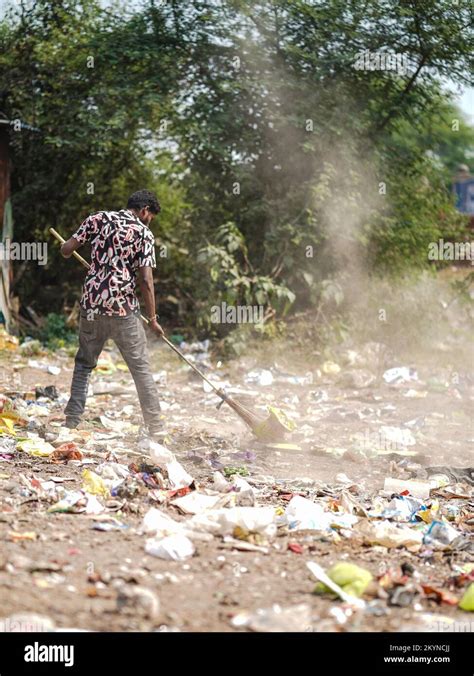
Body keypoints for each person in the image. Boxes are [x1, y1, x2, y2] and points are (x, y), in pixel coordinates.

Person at [60, 189, 164, 437]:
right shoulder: (143, 233)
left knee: (84, 363)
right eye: (150, 216)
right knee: (140, 369)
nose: (148, 220)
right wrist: (153, 319)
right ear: (144, 211)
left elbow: (66, 249)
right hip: (123, 309)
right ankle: (157, 428)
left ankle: (72, 420)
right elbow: (146, 280)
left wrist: (91, 260)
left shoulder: (97, 219)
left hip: (92, 305)